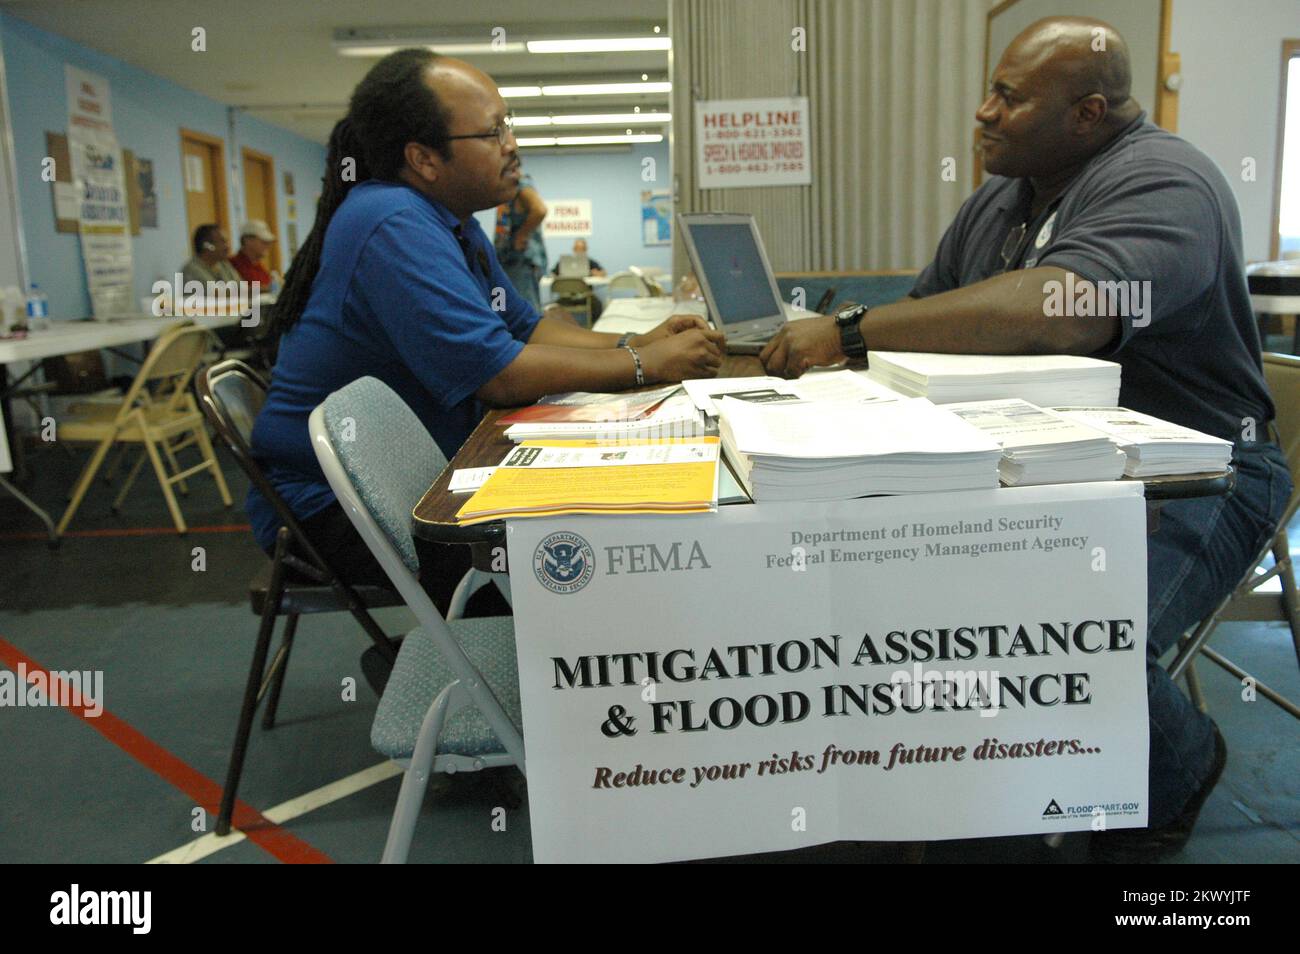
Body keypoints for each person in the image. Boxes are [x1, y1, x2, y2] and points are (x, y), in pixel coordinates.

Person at [760, 16, 1291, 861]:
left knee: (1072, 629)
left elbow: (1065, 314)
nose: (982, 113)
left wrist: (850, 333)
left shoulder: (1165, 183)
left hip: (1197, 469)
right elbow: (923, 321)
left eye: (1008, 97)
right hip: (1041, 464)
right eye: (988, 91)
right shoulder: (1002, 197)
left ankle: (1184, 764)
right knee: (921, 598)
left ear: (1086, 113)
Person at [249, 49, 722, 620]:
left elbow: (527, 325)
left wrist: (639, 344)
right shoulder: (392, 220)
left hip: (420, 475)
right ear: (424, 158)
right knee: (573, 558)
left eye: (509, 124)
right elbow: (499, 373)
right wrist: (648, 366)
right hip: (335, 507)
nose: (512, 143)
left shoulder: (450, 222)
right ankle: (494, 682)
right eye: (493, 130)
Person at [494, 168, 548, 309]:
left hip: (519, 260)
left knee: (524, 312)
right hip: (506, 260)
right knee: (503, 308)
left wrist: (521, 236)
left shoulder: (520, 183)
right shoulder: (504, 187)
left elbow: (540, 210)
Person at [229, 220, 275, 289]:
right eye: (264, 242)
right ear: (248, 241)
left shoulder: (259, 267)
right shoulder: (232, 265)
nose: (268, 246)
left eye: (269, 242)